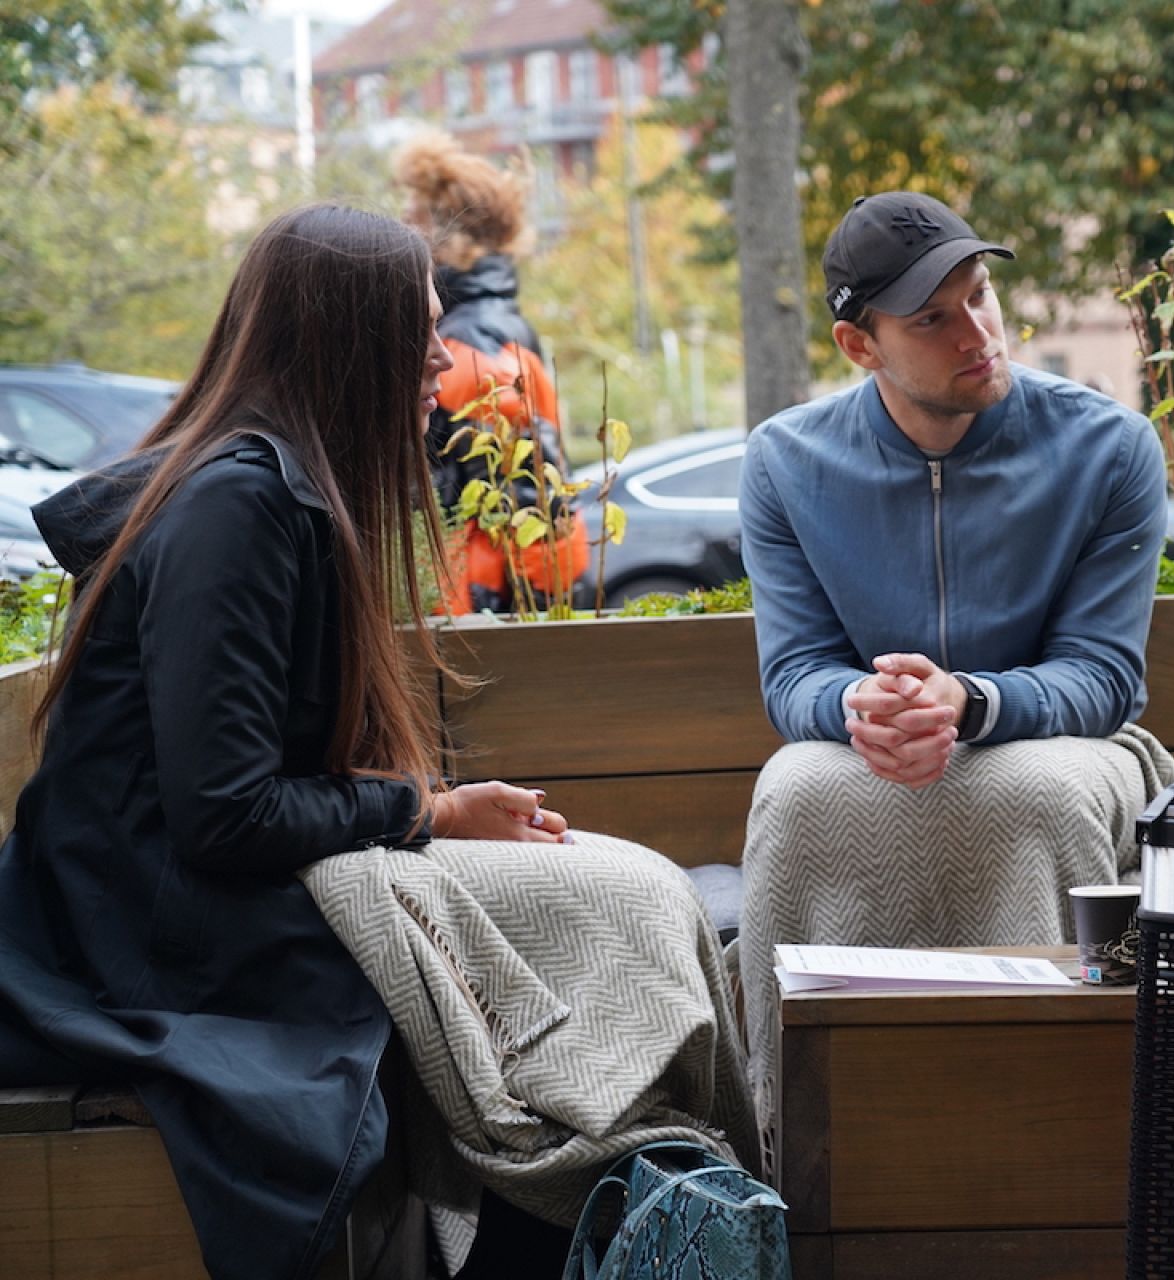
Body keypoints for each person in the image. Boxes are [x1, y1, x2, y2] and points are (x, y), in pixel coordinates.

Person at [0, 205, 753, 1280]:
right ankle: (624, 1218)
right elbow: (224, 816)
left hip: (214, 890)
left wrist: (428, 813)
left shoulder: (277, 491)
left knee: (639, 894)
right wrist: (428, 812)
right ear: (345, 341)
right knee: (620, 909)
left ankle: (666, 1200)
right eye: (420, 330)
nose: (444, 358)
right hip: (151, 933)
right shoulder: (234, 510)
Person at [737, 191, 1174, 1114]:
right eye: (932, 319)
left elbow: (1104, 675)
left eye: (979, 294)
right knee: (796, 790)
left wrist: (969, 702)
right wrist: (860, 707)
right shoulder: (786, 462)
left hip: (1066, 743)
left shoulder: (1109, 447)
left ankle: (1054, 1115)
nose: (977, 332)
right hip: (869, 743)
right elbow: (795, 674)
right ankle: (798, 1130)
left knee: (1032, 793)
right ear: (860, 346)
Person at [394, 130, 584, 614]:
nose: (401, 229)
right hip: (473, 595)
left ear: (451, 235)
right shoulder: (494, 326)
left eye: (413, 219)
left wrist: (531, 615)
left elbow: (530, 490)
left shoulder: (469, 344)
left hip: (469, 600)